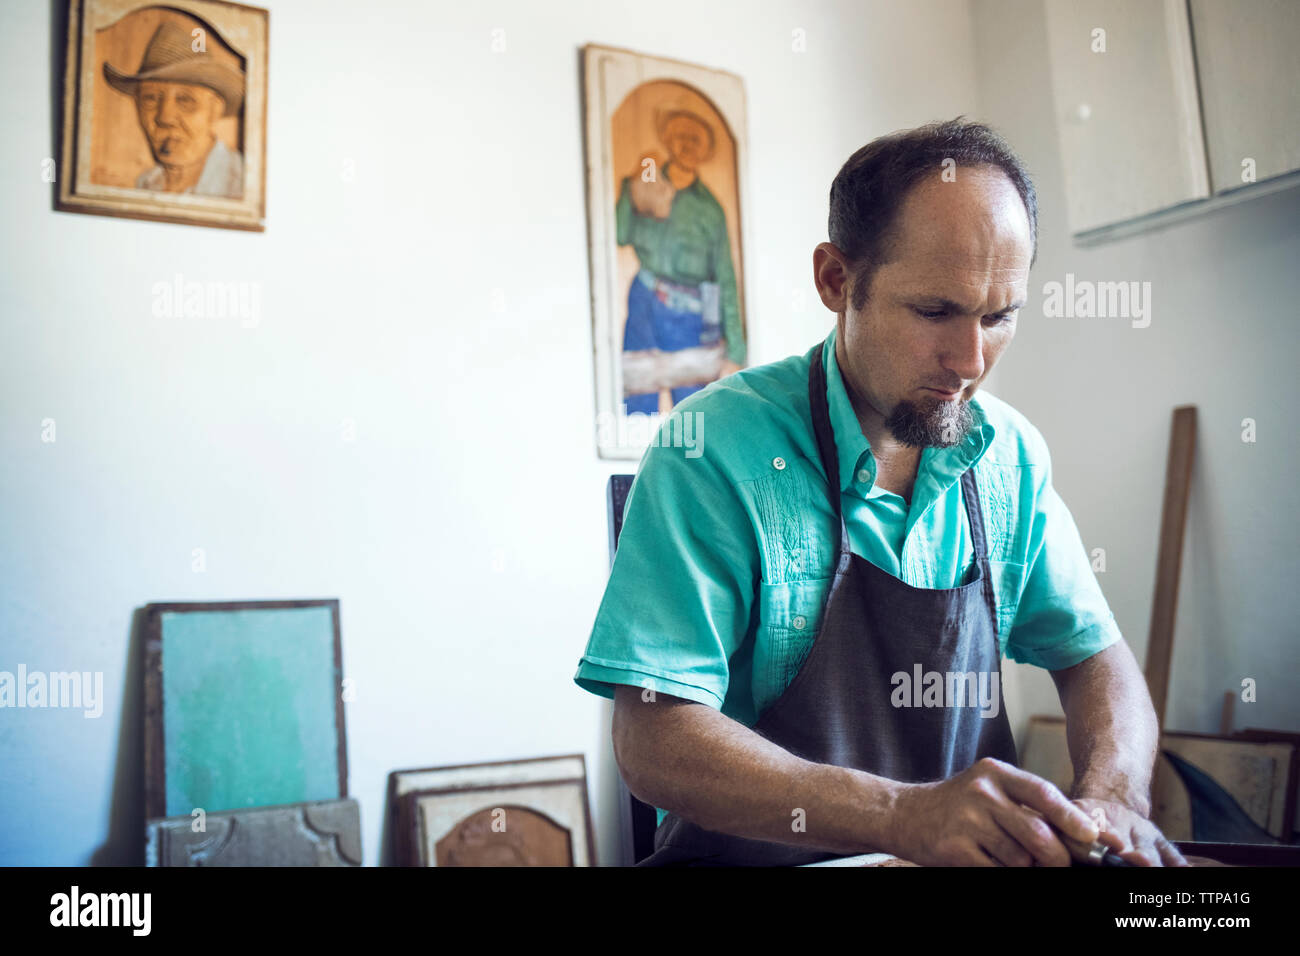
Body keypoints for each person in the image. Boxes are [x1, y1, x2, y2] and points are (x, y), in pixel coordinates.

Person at [574, 118, 1186, 867]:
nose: (970, 361)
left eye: (999, 317)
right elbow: (654, 739)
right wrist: (902, 815)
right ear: (837, 280)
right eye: (935, 311)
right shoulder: (713, 448)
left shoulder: (1009, 457)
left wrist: (1115, 798)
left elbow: (1097, 659)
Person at [616, 109, 746, 414]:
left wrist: (734, 349)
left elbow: (724, 278)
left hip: (688, 319)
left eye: (695, 140)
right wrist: (630, 185)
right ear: (669, 141)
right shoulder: (647, 181)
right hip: (643, 305)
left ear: (705, 152)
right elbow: (620, 235)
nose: (687, 145)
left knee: (691, 419)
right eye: (681, 137)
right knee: (637, 404)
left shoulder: (710, 210)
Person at [103, 21, 245, 198]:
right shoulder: (146, 184)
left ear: (214, 110)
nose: (165, 117)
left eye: (185, 100)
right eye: (150, 99)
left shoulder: (241, 182)